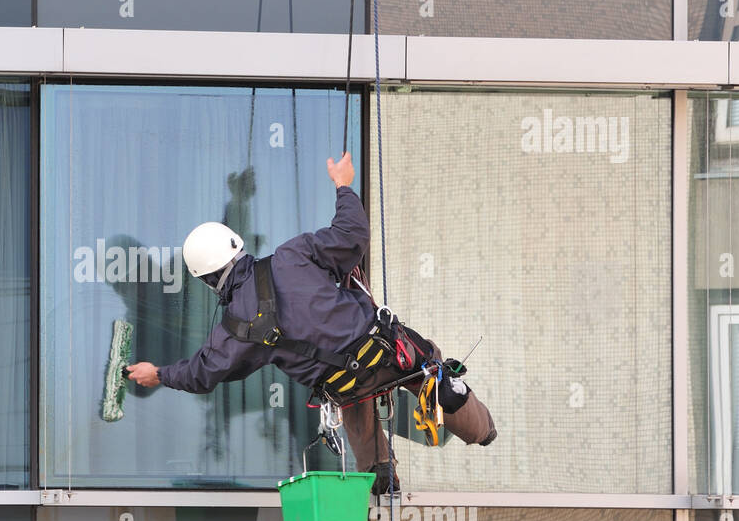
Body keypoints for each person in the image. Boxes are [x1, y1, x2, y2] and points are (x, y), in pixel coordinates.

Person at [126, 151, 495, 493]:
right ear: (238, 246)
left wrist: (158, 374)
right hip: (383, 349)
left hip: (343, 382)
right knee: (427, 363)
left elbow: (201, 373)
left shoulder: (236, 328)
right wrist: (343, 185)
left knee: (355, 411)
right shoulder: (293, 256)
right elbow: (351, 235)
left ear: (206, 280)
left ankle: (381, 474)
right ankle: (470, 417)